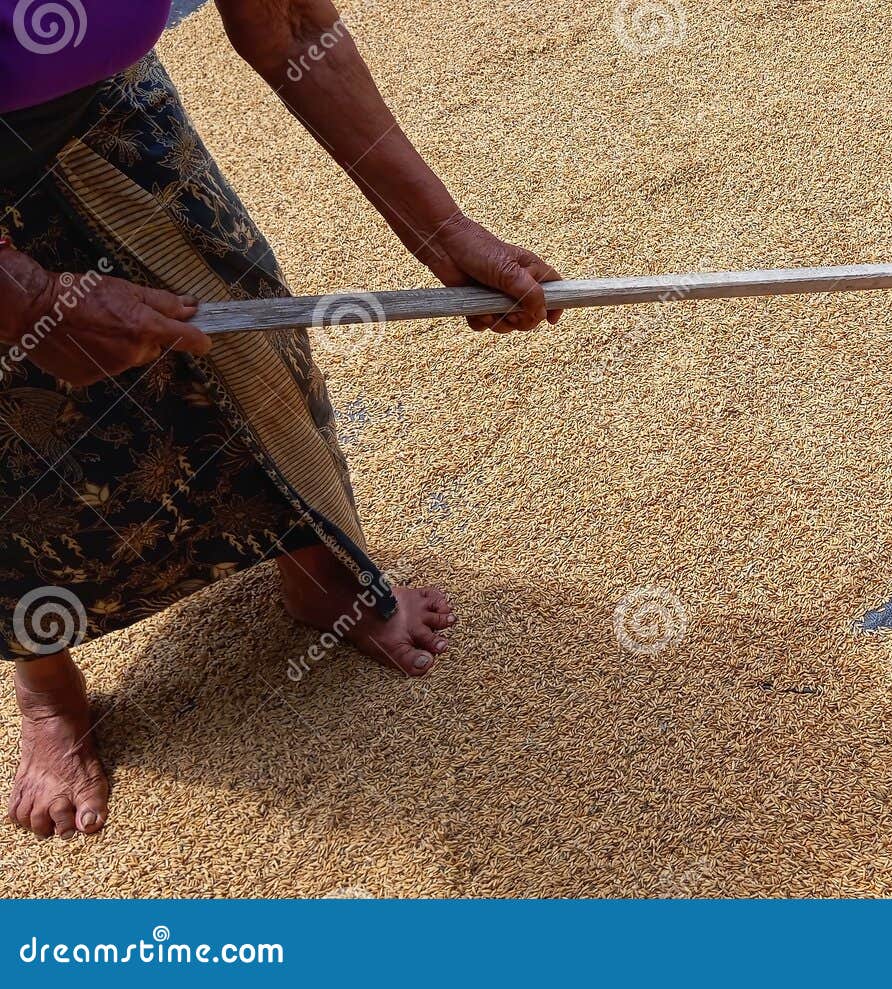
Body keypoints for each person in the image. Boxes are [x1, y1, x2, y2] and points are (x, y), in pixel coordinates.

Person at [0, 0, 562, 838]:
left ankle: (317, 568)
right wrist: (29, 300)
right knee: (15, 457)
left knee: (245, 341)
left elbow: (293, 25)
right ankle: (45, 682)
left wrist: (439, 229)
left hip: (95, 110)